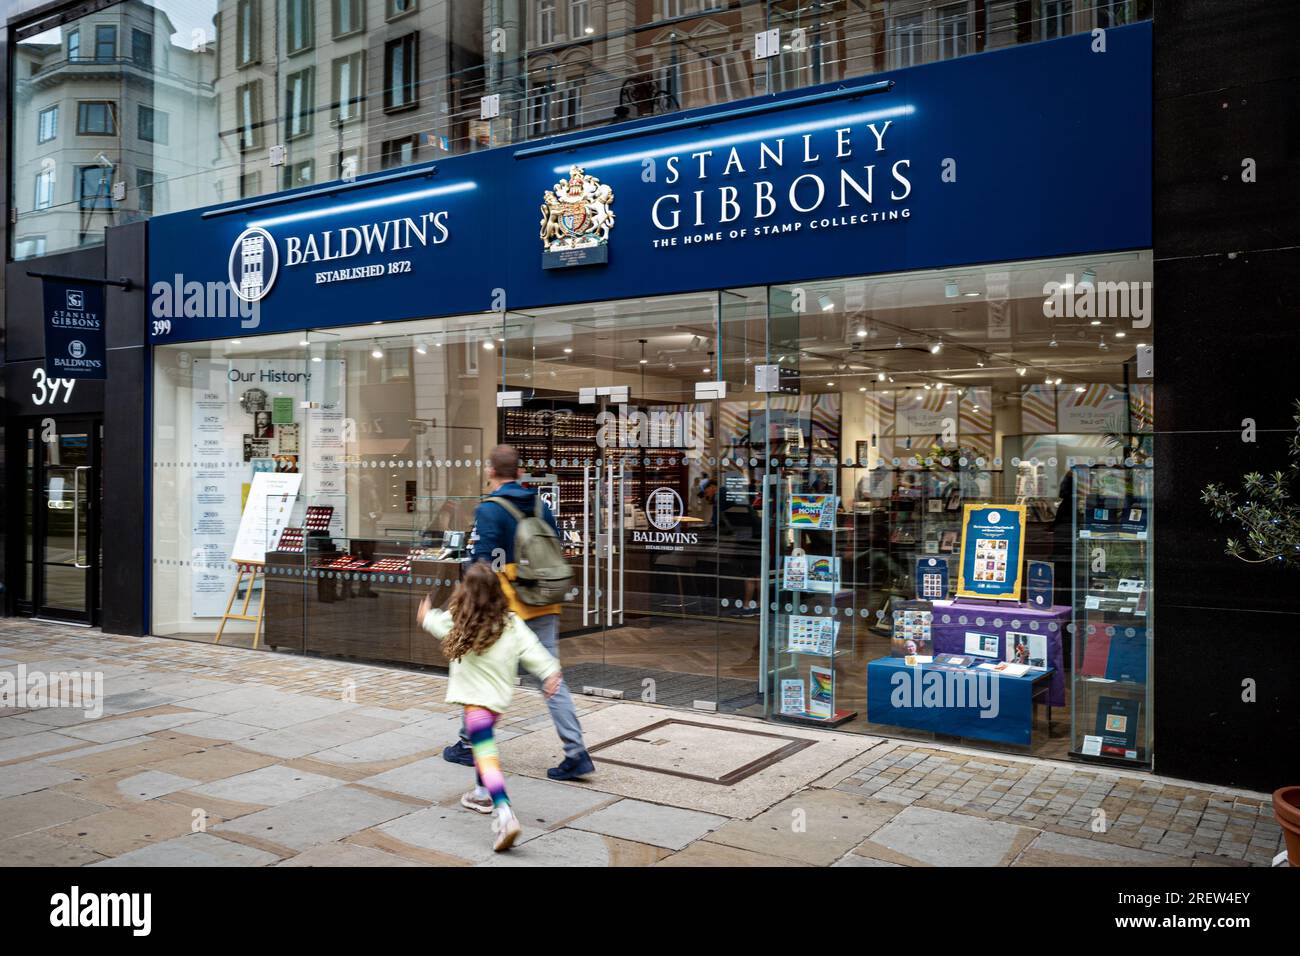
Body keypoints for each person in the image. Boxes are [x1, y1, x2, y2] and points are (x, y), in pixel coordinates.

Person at [442, 444, 595, 781]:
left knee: (480, 673)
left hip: (506, 604)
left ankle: (469, 744)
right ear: (520, 472)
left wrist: (469, 597)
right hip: (544, 598)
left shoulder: (489, 509)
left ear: (490, 472)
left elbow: (482, 561)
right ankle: (576, 751)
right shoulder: (543, 505)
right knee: (550, 675)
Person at [419, 562, 562, 852]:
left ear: (466, 592)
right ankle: (482, 793)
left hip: (476, 704)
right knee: (481, 746)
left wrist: (425, 615)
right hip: (497, 702)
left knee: (486, 755)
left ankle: (505, 813)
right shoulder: (510, 623)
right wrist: (550, 673)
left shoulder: (459, 619)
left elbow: (436, 624)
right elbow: (533, 649)